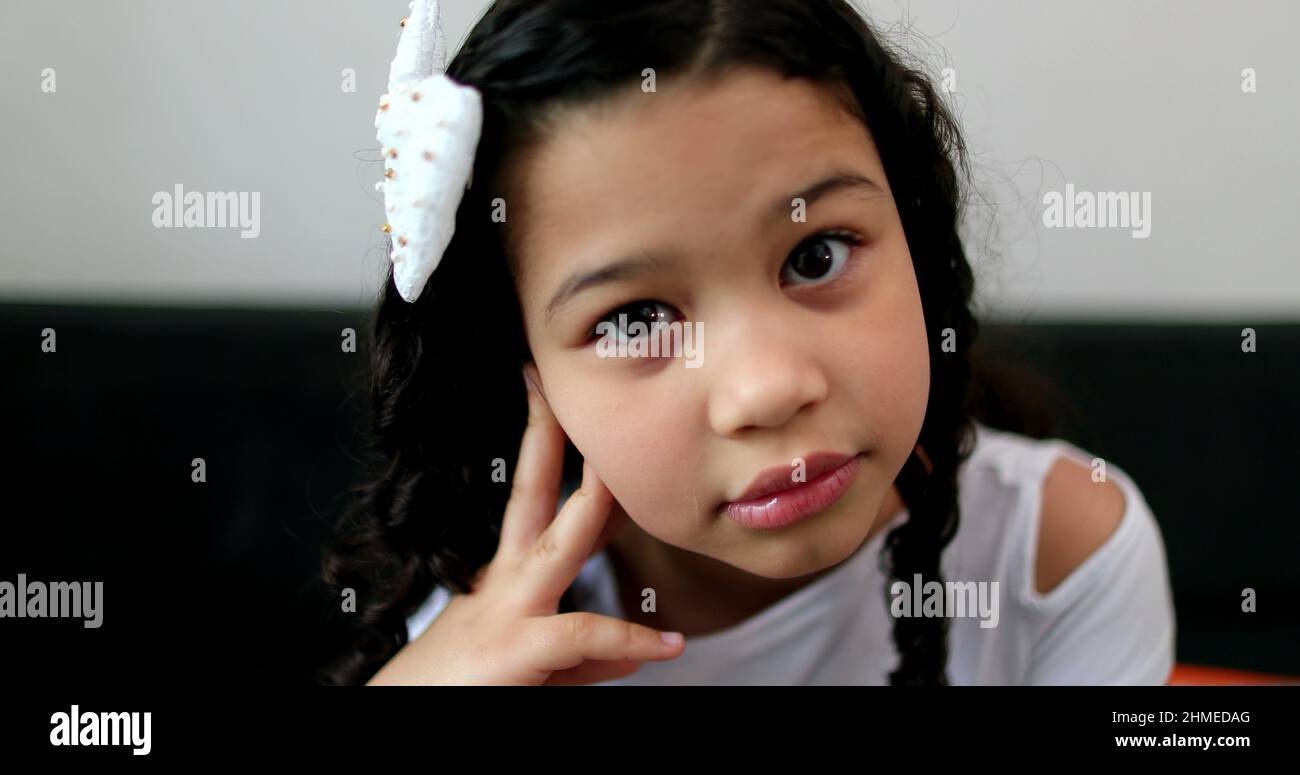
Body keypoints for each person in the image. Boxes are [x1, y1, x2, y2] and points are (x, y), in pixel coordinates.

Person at [324, 0, 1175, 686]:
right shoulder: (488, 634)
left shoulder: (1060, 555)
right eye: (636, 319)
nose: (767, 387)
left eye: (816, 255)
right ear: (526, 374)